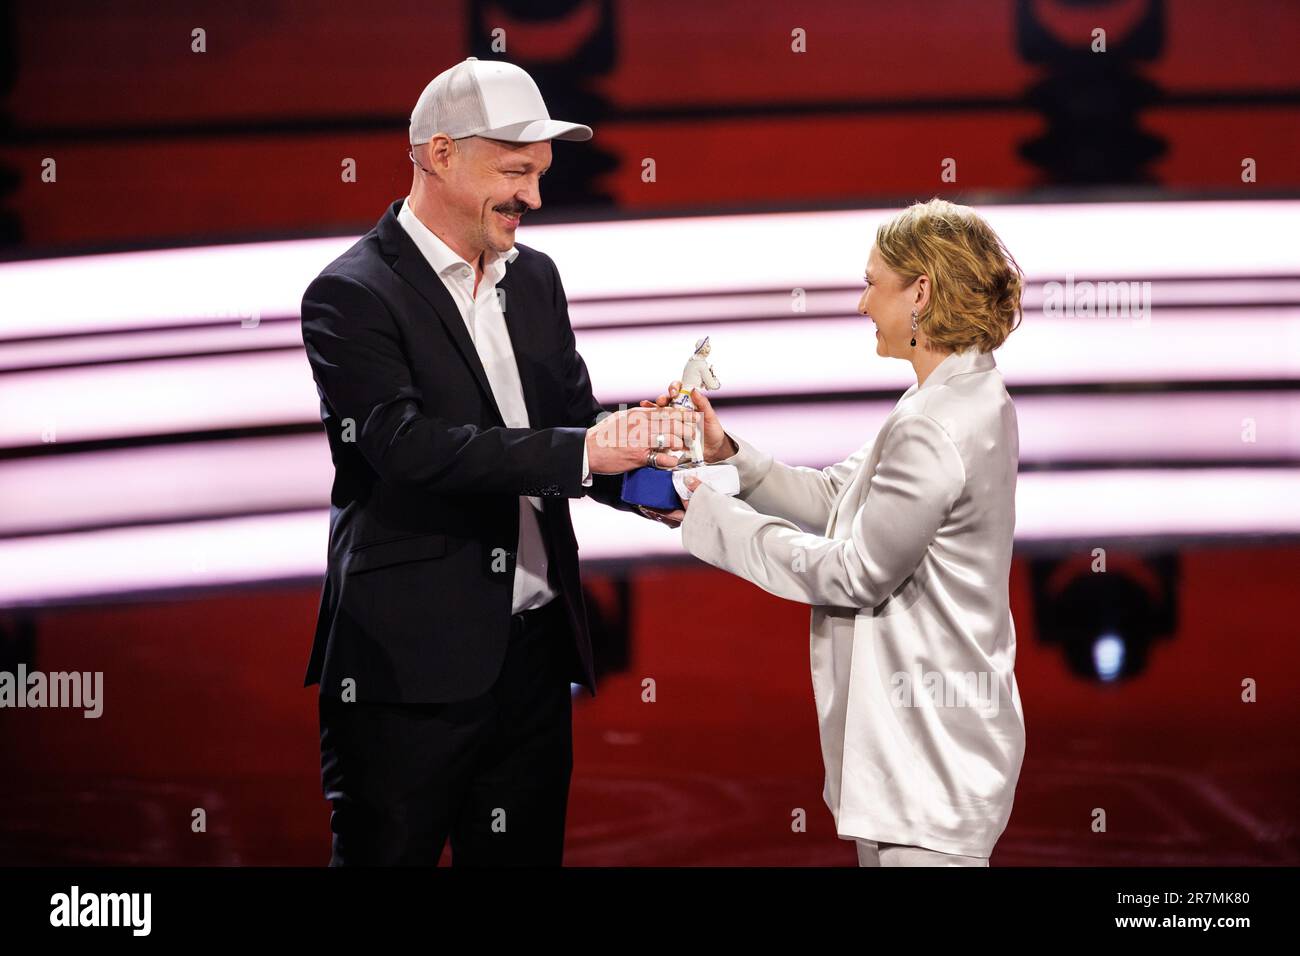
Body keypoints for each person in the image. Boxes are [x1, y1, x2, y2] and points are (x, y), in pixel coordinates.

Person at [299, 57, 697, 866]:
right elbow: (406, 449)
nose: (534, 199)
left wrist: (660, 477)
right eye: (516, 171)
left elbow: (572, 427)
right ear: (440, 155)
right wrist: (588, 448)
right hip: (407, 673)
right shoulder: (351, 295)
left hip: (534, 663)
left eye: (540, 175)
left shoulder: (537, 281)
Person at [644, 198, 1026, 866]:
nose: (861, 304)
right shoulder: (956, 396)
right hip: (928, 755)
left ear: (922, 291)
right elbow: (835, 497)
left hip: (926, 762)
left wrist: (705, 514)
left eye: (873, 284)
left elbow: (854, 573)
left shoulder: (933, 423)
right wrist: (726, 449)